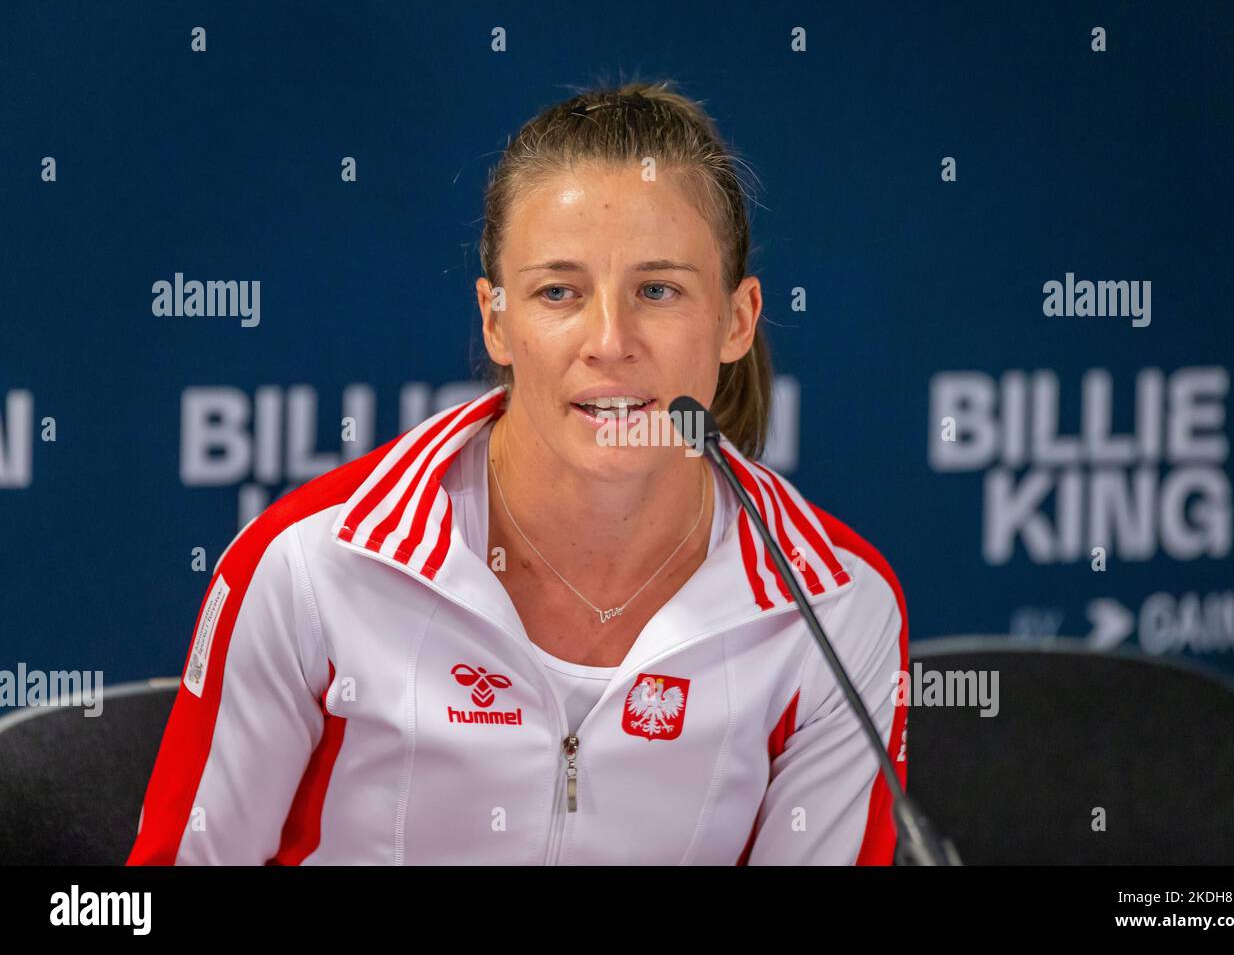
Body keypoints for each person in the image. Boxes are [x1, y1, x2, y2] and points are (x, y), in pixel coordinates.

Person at [127, 81, 908, 865]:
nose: (609, 340)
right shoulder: (312, 562)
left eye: (659, 290)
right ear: (496, 319)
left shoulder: (835, 606)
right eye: (559, 292)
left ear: (736, 320)